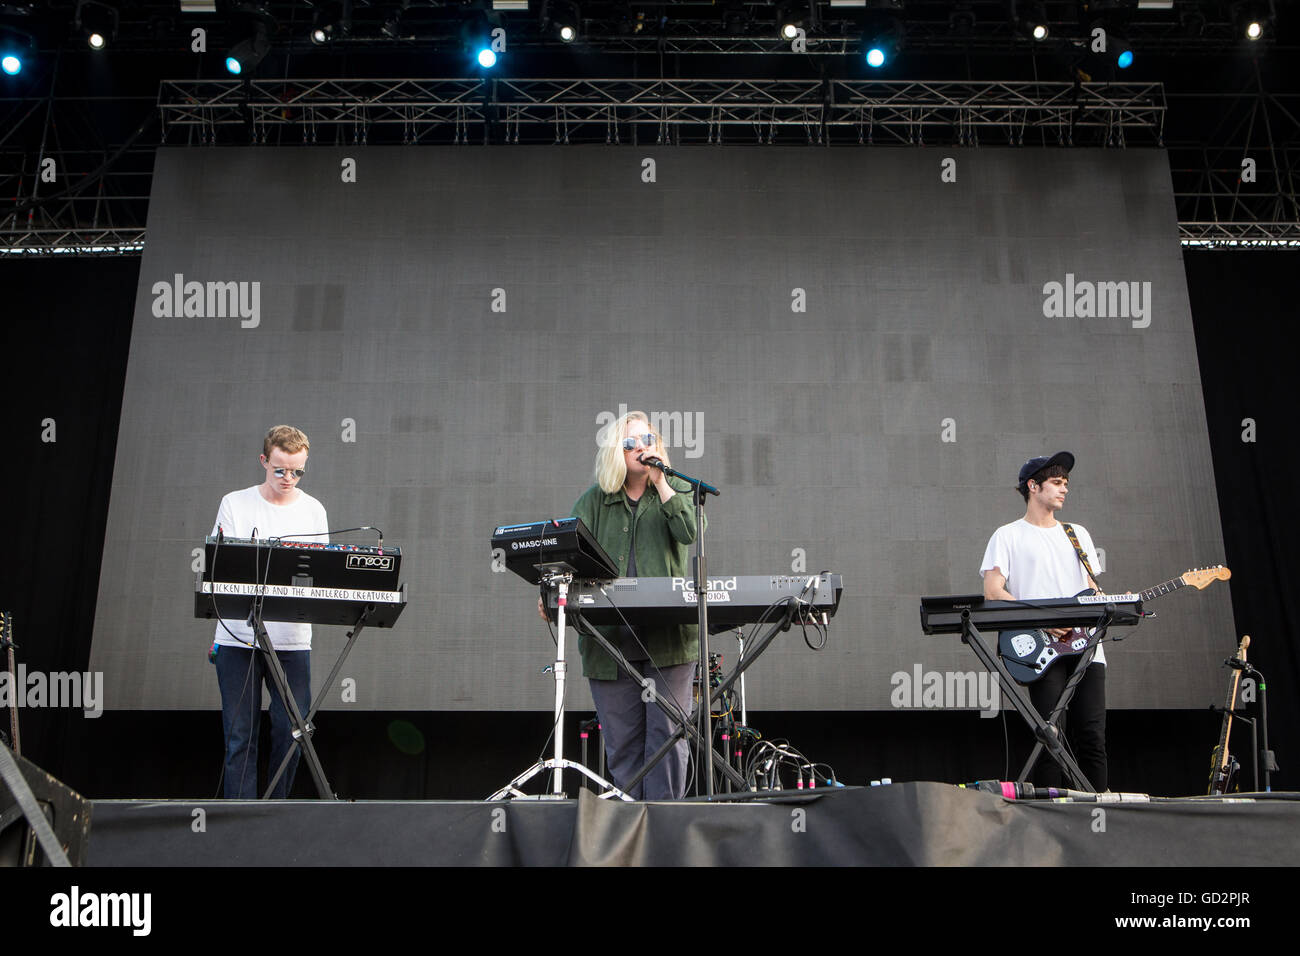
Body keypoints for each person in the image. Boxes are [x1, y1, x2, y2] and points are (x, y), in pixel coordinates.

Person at [561, 411, 701, 800]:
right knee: (622, 746)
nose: (640, 448)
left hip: (669, 641)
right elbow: (568, 554)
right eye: (629, 443)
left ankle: (665, 832)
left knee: (668, 740)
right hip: (610, 642)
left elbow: (689, 531)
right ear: (614, 454)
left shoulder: (678, 489)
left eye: (647, 440)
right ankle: (630, 833)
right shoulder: (593, 501)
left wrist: (662, 483)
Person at [211, 425, 328, 798]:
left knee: (291, 731)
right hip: (237, 637)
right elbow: (222, 564)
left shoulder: (313, 510)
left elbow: (320, 576)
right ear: (264, 461)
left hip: (291, 641)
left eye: (297, 471)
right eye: (279, 469)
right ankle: (239, 820)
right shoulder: (235, 502)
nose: (288, 478)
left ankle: (276, 813)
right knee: (239, 734)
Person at [980, 451, 1108, 791]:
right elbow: (994, 591)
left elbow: (1091, 588)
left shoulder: (1077, 533)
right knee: (1050, 733)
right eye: (1056, 482)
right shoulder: (1007, 535)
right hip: (1043, 647)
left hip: (1087, 646)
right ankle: (1050, 812)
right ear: (1033, 486)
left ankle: (1099, 812)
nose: (1064, 489)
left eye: (1066, 483)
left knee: (1092, 733)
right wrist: (1043, 619)